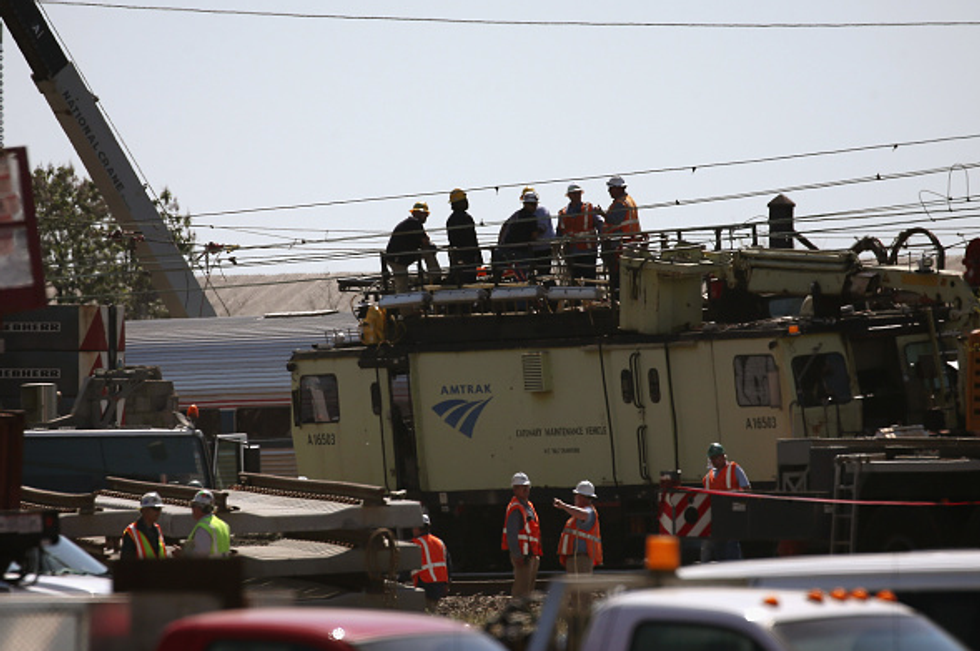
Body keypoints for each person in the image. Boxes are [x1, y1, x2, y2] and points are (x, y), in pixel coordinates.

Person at [700, 442, 750, 562]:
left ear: (723, 457)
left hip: (732, 515)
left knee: (731, 547)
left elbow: (747, 490)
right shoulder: (707, 478)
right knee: (719, 548)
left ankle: (735, 570)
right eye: (712, 458)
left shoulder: (734, 469)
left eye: (716, 458)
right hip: (716, 518)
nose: (714, 461)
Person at [385, 201, 441, 293]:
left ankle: (433, 276)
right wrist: (432, 247)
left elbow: (423, 241)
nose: (426, 217)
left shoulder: (411, 223)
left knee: (403, 285)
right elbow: (425, 242)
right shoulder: (415, 223)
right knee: (402, 287)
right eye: (424, 214)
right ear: (416, 213)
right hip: (397, 259)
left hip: (399, 257)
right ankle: (436, 277)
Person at [502, 471, 542, 598]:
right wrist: (517, 555)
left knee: (528, 590)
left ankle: (525, 614)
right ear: (515, 489)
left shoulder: (528, 506)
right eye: (522, 487)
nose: (525, 490)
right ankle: (517, 615)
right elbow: (512, 534)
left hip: (530, 554)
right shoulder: (516, 508)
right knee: (521, 590)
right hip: (522, 556)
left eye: (527, 487)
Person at [602, 175, 642, 295]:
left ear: (618, 188)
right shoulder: (629, 200)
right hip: (629, 243)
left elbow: (614, 220)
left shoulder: (620, 203)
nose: (609, 191)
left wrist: (602, 214)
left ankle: (618, 297)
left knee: (617, 275)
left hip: (620, 245)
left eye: (611, 188)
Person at [557, 184, 604, 283]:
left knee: (590, 279)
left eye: (578, 194)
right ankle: (577, 298)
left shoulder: (589, 209)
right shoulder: (563, 213)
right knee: (575, 279)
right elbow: (560, 231)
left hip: (588, 250)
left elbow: (600, 225)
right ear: (569, 196)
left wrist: (603, 239)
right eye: (574, 194)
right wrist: (558, 245)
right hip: (572, 252)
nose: (577, 196)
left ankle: (590, 298)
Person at [554, 480, 602, 574]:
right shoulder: (576, 516)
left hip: (582, 559)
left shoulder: (590, 511)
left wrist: (563, 506)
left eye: (576, 495)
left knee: (582, 588)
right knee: (576, 587)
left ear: (581, 497)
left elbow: (583, 514)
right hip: (575, 558)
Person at [410, 513, 451, 612]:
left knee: (425, 611)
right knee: (433, 609)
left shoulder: (415, 543)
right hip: (439, 583)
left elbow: (408, 563)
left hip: (425, 582)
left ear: (418, 528)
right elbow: (448, 563)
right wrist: (447, 582)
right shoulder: (439, 542)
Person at [499, 192, 543, 279]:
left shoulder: (516, 215)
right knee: (522, 275)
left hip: (507, 251)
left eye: (535, 204)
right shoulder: (531, 218)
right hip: (520, 251)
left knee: (516, 273)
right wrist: (541, 230)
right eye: (532, 204)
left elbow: (504, 227)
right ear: (525, 204)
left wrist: (500, 244)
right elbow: (534, 236)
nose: (534, 207)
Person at [445, 188, 482, 286]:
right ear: (458, 203)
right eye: (464, 201)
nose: (467, 203)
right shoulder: (465, 218)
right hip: (467, 256)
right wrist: (478, 255)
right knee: (469, 282)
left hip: (458, 257)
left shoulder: (451, 220)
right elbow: (472, 238)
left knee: (460, 281)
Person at [180, 489, 232, 558]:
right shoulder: (224, 525)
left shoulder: (204, 528)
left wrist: (182, 554)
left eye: (193, 505)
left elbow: (200, 555)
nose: (192, 509)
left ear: (200, 508)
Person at [121, 491, 167, 560]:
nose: (158, 512)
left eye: (159, 509)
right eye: (155, 509)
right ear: (144, 510)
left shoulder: (157, 529)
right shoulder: (131, 532)